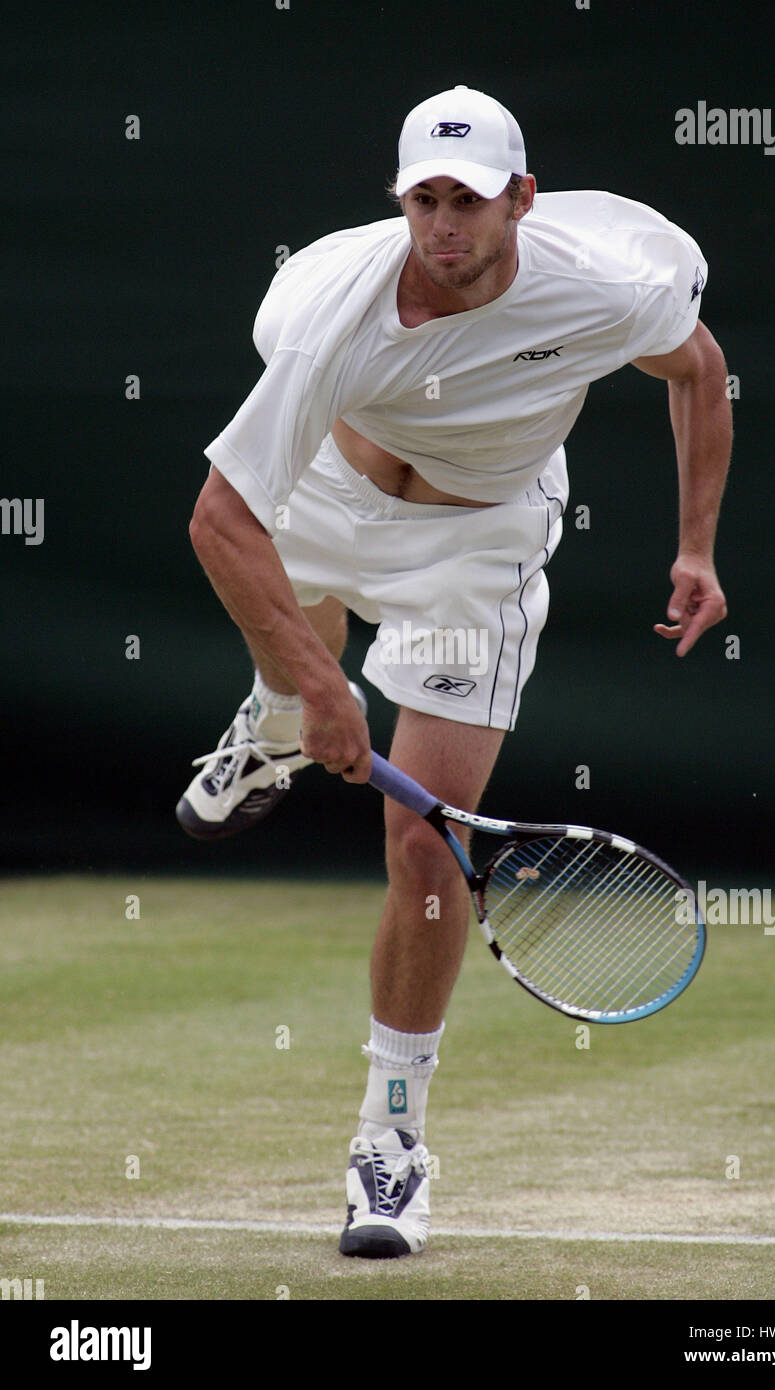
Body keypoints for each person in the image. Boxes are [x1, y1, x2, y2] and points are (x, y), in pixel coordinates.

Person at [177, 85, 731, 1258]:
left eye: (468, 202)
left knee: (426, 845)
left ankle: (391, 1139)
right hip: (332, 490)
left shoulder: (608, 286)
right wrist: (327, 695)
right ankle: (280, 707)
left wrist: (694, 544)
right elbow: (219, 521)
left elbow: (695, 368)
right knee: (297, 639)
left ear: (518, 201)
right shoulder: (331, 316)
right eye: (423, 200)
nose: (443, 226)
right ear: (398, 203)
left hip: (476, 548)